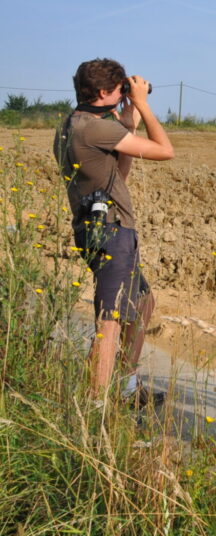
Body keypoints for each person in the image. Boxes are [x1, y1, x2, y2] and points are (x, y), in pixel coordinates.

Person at [54, 58, 174, 404]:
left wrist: (127, 124)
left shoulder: (72, 125)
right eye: (120, 89)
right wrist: (142, 104)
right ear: (105, 92)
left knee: (142, 301)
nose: (125, 91)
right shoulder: (96, 129)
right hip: (111, 233)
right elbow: (165, 151)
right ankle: (96, 409)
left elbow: (116, 177)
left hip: (100, 227)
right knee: (110, 322)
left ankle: (126, 384)